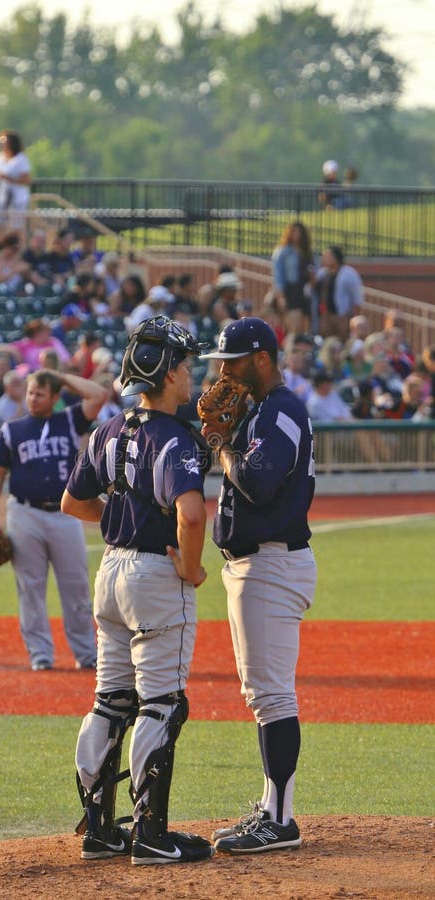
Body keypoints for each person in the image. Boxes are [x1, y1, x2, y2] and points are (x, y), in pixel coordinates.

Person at [60, 315, 214, 866]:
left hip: (110, 572)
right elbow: (191, 515)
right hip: (154, 577)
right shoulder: (175, 438)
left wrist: (115, 524)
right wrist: (192, 568)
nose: (191, 374)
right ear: (167, 373)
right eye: (186, 365)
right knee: (163, 705)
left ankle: (100, 829)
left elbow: (73, 503)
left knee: (110, 700)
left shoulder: (108, 429)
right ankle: (151, 833)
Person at [198, 317, 317, 855]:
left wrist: (223, 444)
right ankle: (272, 808)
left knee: (271, 695)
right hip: (256, 565)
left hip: (271, 563)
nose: (224, 372)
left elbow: (259, 481)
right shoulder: (262, 409)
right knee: (262, 694)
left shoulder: (283, 410)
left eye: (233, 360)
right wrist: (224, 438)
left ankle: (281, 819)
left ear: (262, 358)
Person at [0, 368, 107, 671]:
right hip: (24, 513)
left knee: (76, 586)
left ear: (54, 397)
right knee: (30, 587)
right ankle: (40, 654)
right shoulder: (12, 430)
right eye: (30, 392)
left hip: (65, 514)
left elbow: (99, 394)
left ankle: (86, 654)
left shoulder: (69, 419)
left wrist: (58, 376)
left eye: (40, 393)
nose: (33, 398)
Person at [271, 222, 314, 335]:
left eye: (299, 232)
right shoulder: (283, 252)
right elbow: (278, 276)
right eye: (294, 231)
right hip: (291, 291)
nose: (297, 235)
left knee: (306, 328)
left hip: (306, 291)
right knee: (295, 327)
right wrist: (281, 297)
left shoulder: (307, 252)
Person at [314, 246, 363, 341]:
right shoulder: (323, 274)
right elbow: (320, 296)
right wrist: (323, 314)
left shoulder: (349, 273)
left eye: (327, 256)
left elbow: (357, 297)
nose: (324, 259)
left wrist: (353, 317)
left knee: (342, 339)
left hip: (343, 316)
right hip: (326, 315)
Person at [0, 130, 31, 239]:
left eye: (4, 141)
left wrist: (8, 178)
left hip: (17, 200)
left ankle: (16, 252)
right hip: (2, 198)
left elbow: (26, 179)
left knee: (15, 228)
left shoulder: (21, 158)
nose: (2, 143)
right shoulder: (0, 157)